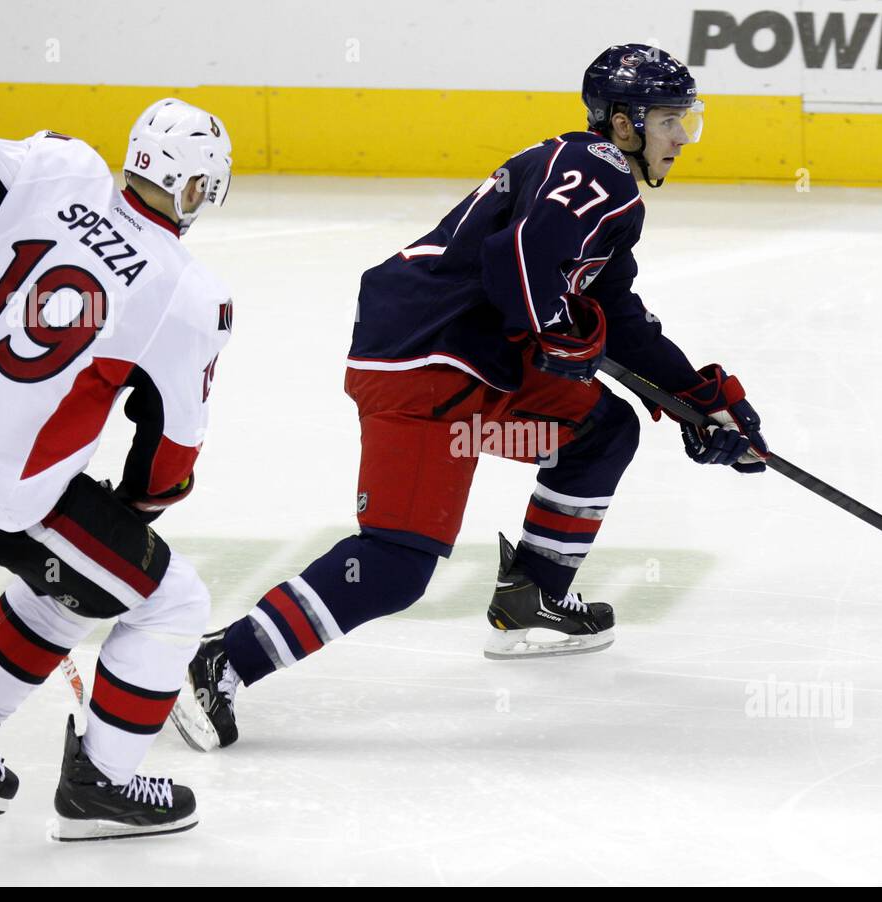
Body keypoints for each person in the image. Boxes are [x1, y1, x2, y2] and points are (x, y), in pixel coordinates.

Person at [171, 44, 767, 752]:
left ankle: (532, 597)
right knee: (395, 563)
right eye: (669, 121)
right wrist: (552, 329)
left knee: (600, 427)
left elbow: (615, 312)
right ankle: (222, 661)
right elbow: (514, 260)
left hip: (477, 368)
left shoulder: (595, 178)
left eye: (687, 121)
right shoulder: (597, 173)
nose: (681, 138)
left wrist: (698, 398)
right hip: (425, 369)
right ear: (624, 123)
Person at [0, 98, 234, 839]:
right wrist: (133, 514)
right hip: (2, 493)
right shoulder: (186, 292)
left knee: (73, 575)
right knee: (171, 600)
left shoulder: (58, 169)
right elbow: (168, 456)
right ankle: (103, 786)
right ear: (194, 189)